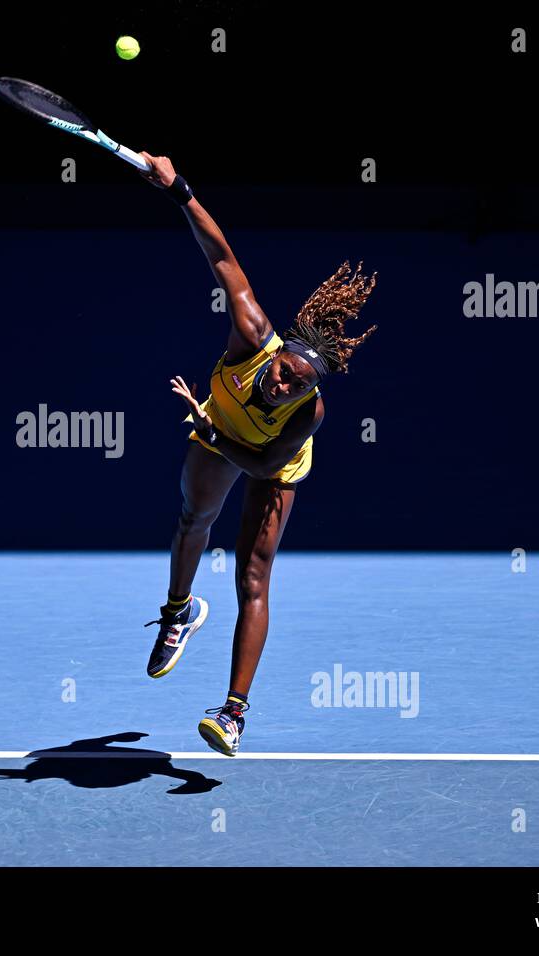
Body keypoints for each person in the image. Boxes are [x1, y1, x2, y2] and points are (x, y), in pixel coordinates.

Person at [137, 152, 378, 755]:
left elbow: (268, 466)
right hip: (221, 426)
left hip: (263, 455)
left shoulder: (308, 413)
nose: (284, 384)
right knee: (194, 519)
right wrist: (179, 190)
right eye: (284, 371)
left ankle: (233, 712)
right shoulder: (251, 334)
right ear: (276, 353)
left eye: (298, 383)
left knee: (253, 577)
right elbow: (222, 256)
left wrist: (214, 435)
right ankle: (178, 612)